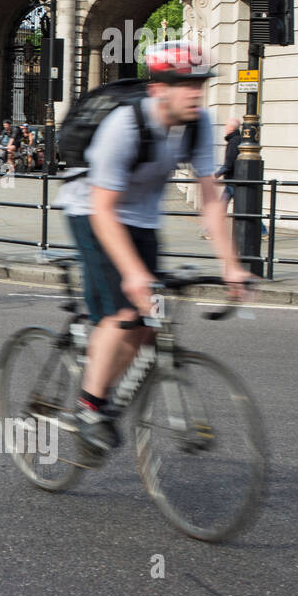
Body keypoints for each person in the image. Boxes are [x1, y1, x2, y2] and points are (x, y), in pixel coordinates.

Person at [60, 41, 252, 462]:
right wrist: (132, 275)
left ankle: (106, 381)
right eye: (184, 85)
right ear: (157, 89)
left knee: (148, 320)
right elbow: (103, 210)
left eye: (199, 84)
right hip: (91, 209)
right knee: (126, 312)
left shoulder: (200, 123)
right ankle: (89, 406)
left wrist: (232, 266)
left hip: (143, 218)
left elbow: (211, 199)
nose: (195, 93)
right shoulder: (124, 126)